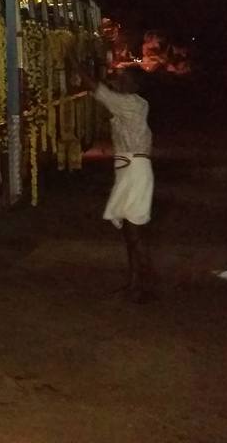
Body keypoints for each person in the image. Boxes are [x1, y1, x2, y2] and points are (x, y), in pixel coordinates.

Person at [80, 67, 156, 302]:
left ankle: (146, 284)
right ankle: (135, 284)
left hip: (135, 172)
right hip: (129, 171)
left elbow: (98, 90)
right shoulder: (135, 103)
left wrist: (75, 63)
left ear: (135, 86)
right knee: (129, 234)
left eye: (124, 80)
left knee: (134, 233)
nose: (119, 82)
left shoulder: (130, 103)